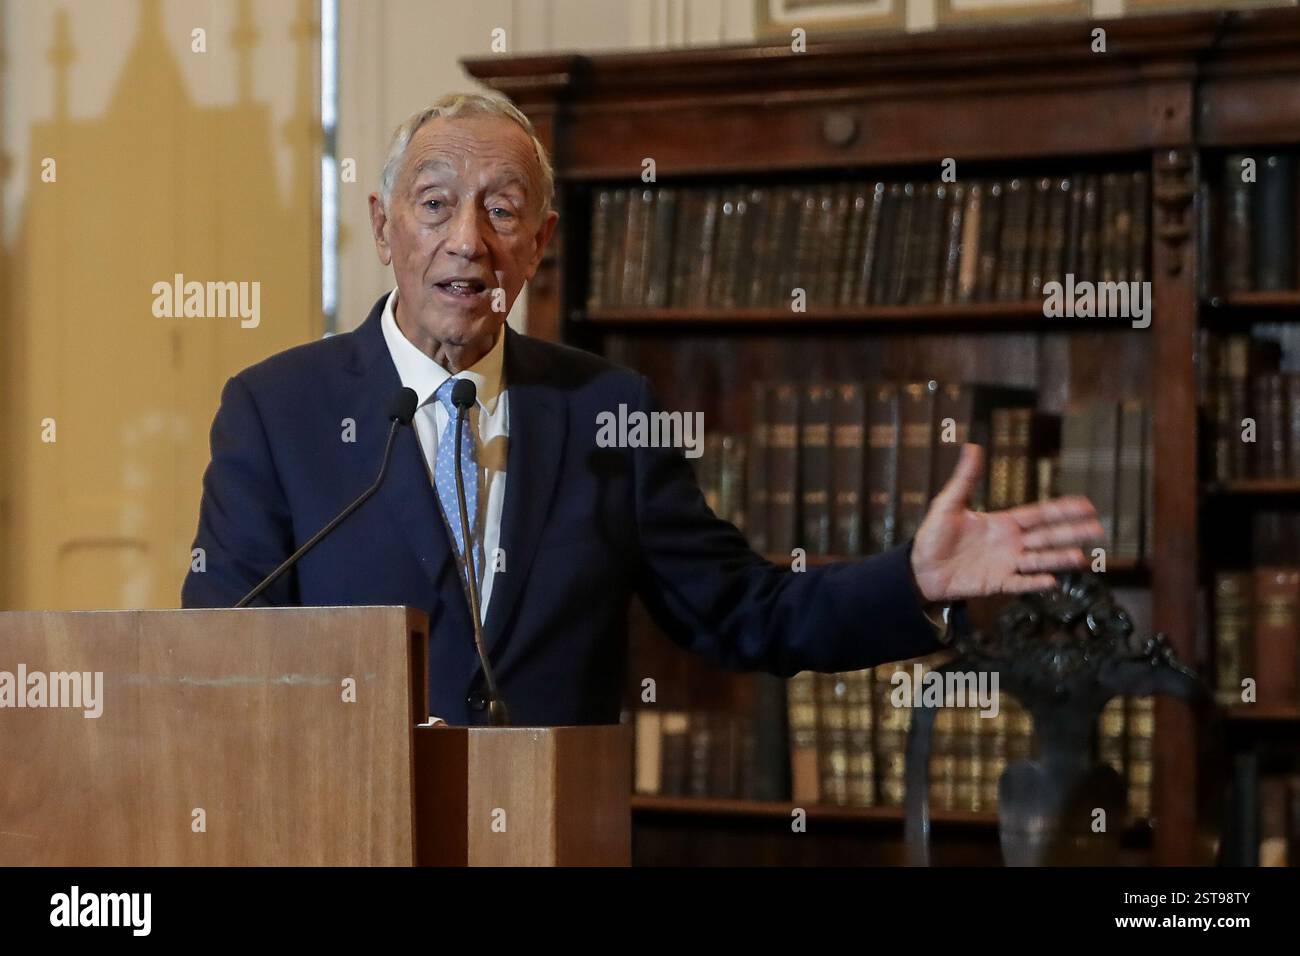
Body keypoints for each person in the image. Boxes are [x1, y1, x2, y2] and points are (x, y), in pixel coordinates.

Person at [181, 92, 1102, 725]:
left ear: (538, 242)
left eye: (502, 212)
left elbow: (743, 611)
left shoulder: (604, 414)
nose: (468, 240)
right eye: (435, 205)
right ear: (384, 228)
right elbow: (222, 665)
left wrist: (914, 581)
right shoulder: (277, 412)